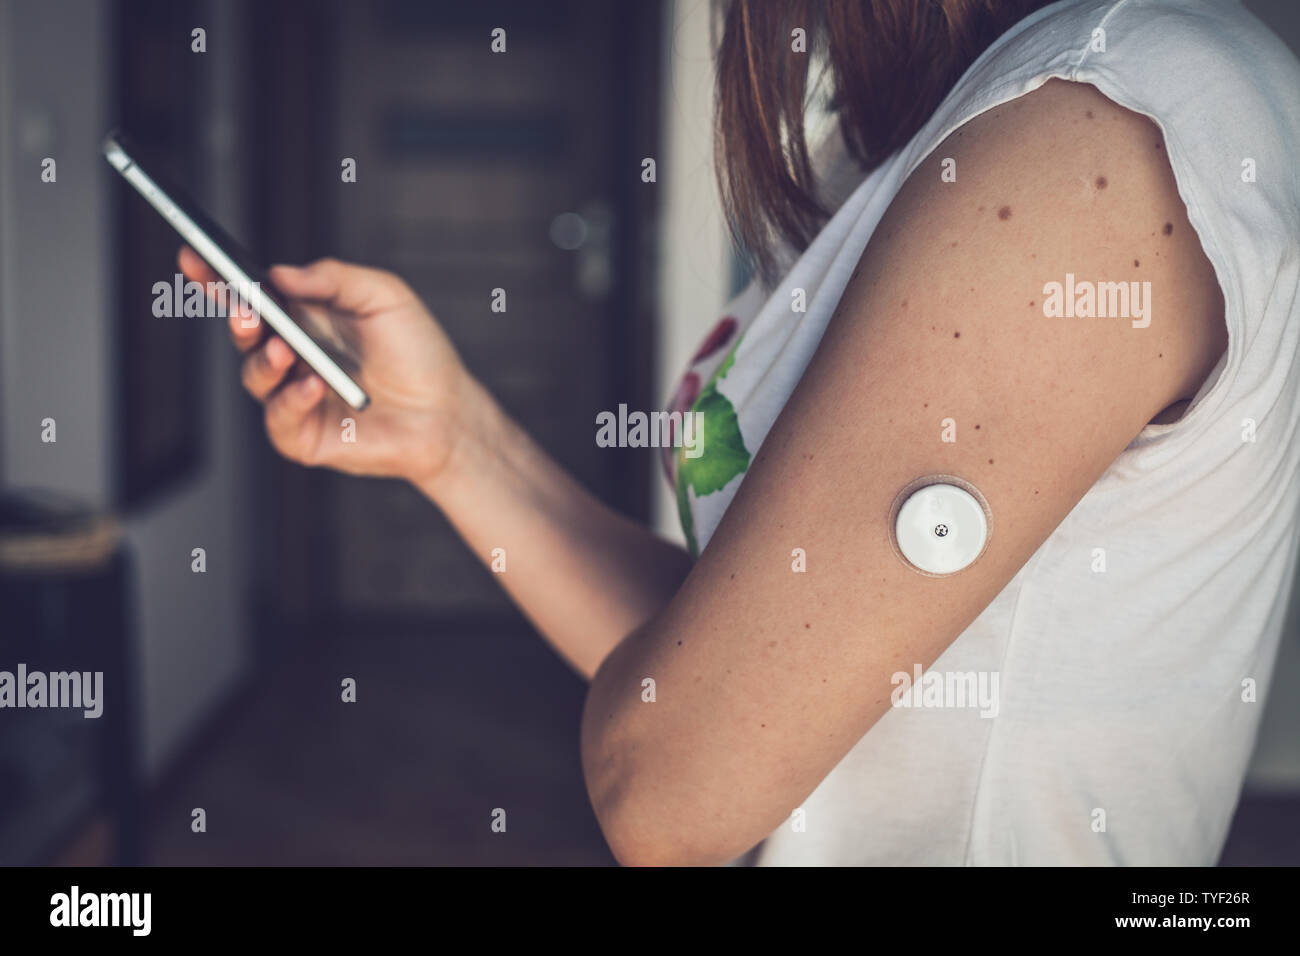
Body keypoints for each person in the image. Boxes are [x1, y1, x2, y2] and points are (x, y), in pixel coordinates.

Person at [180, 0, 1300, 866]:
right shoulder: (956, 130)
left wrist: (675, 737)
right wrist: (453, 439)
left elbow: (671, 786)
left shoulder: (1097, 131)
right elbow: (728, 659)